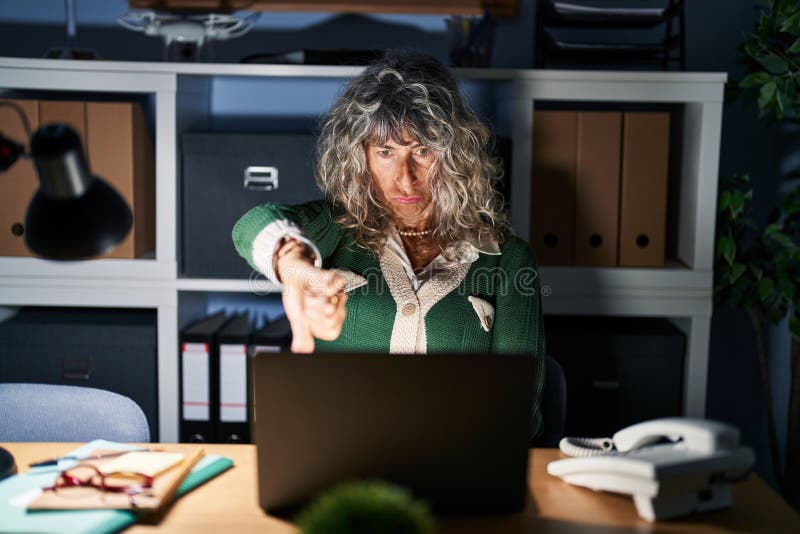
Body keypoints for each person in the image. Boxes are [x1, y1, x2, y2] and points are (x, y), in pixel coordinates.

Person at [232, 50, 546, 437]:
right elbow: (253, 225)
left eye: (423, 151)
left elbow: (520, 412)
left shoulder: (508, 260)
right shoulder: (337, 226)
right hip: (338, 456)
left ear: (454, 155)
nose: (405, 179)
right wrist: (294, 264)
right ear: (359, 157)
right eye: (385, 152)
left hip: (456, 463)